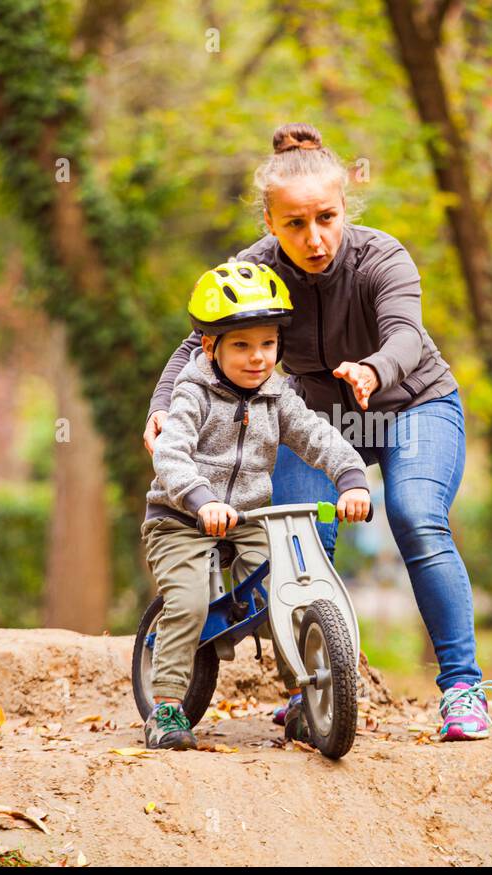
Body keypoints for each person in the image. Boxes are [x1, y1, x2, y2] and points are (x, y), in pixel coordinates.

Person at [145, 122, 492, 742]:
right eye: (296, 224)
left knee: (416, 516)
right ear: (270, 222)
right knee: (300, 533)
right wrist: (162, 409)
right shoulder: (253, 269)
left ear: (343, 211)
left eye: (327, 218)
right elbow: (192, 346)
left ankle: (462, 690)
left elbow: (408, 337)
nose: (315, 238)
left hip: (412, 406)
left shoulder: (381, 256)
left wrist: (373, 369)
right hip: (315, 419)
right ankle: (316, 679)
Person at [142, 260, 371, 750]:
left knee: (283, 591)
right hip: (181, 517)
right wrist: (200, 500)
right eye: (241, 346)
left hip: (247, 517)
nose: (257, 358)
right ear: (210, 347)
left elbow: (318, 437)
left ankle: (302, 700)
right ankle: (164, 707)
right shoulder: (192, 393)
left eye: (267, 344)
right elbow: (171, 453)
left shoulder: (277, 397)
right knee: (186, 602)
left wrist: (352, 481)